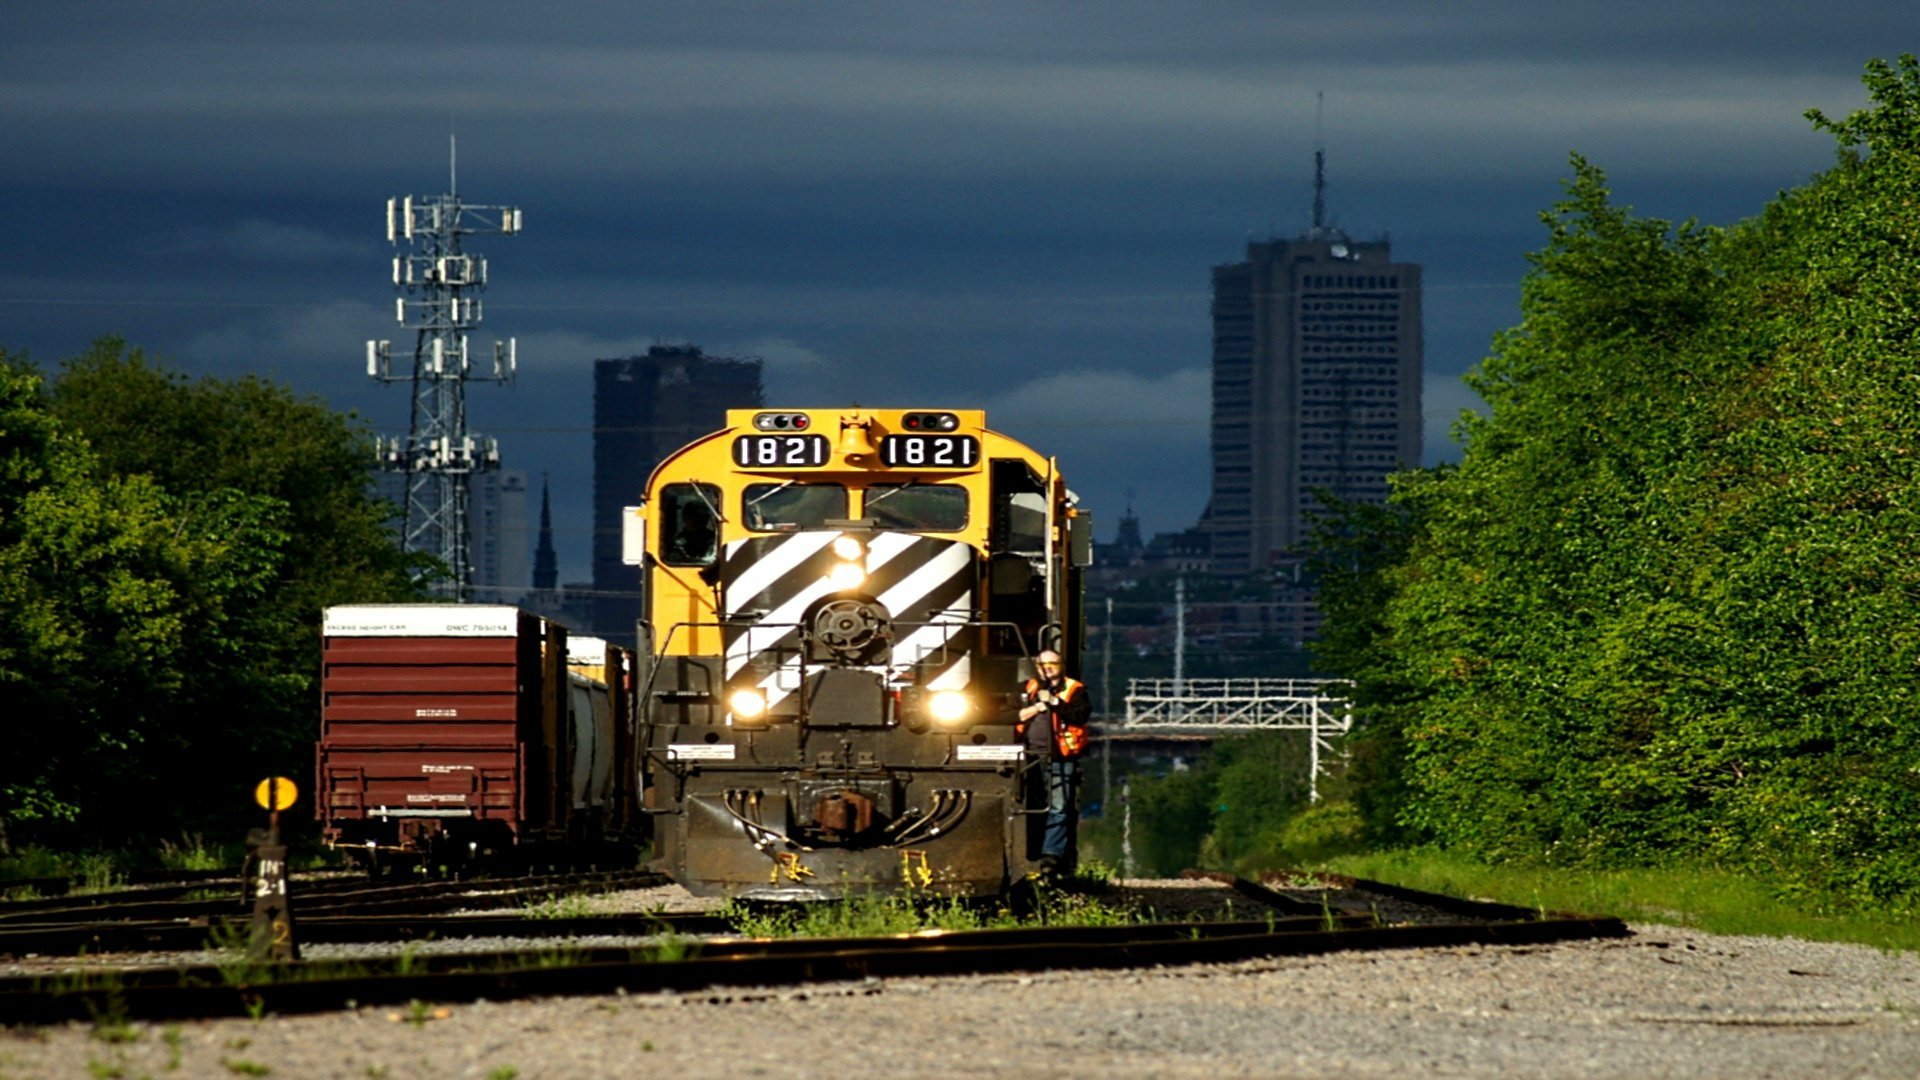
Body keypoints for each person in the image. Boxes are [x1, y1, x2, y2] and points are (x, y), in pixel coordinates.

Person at [1017, 648, 1090, 875]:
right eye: (1042, 665)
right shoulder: (1027, 689)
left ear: (1061, 665)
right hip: (1028, 756)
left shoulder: (1075, 690)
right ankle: (1031, 851)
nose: (1047, 668)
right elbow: (1011, 714)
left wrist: (1055, 702)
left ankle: (1051, 855)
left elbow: (1080, 716)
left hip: (1060, 756)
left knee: (1059, 806)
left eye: (1052, 664)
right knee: (1032, 805)